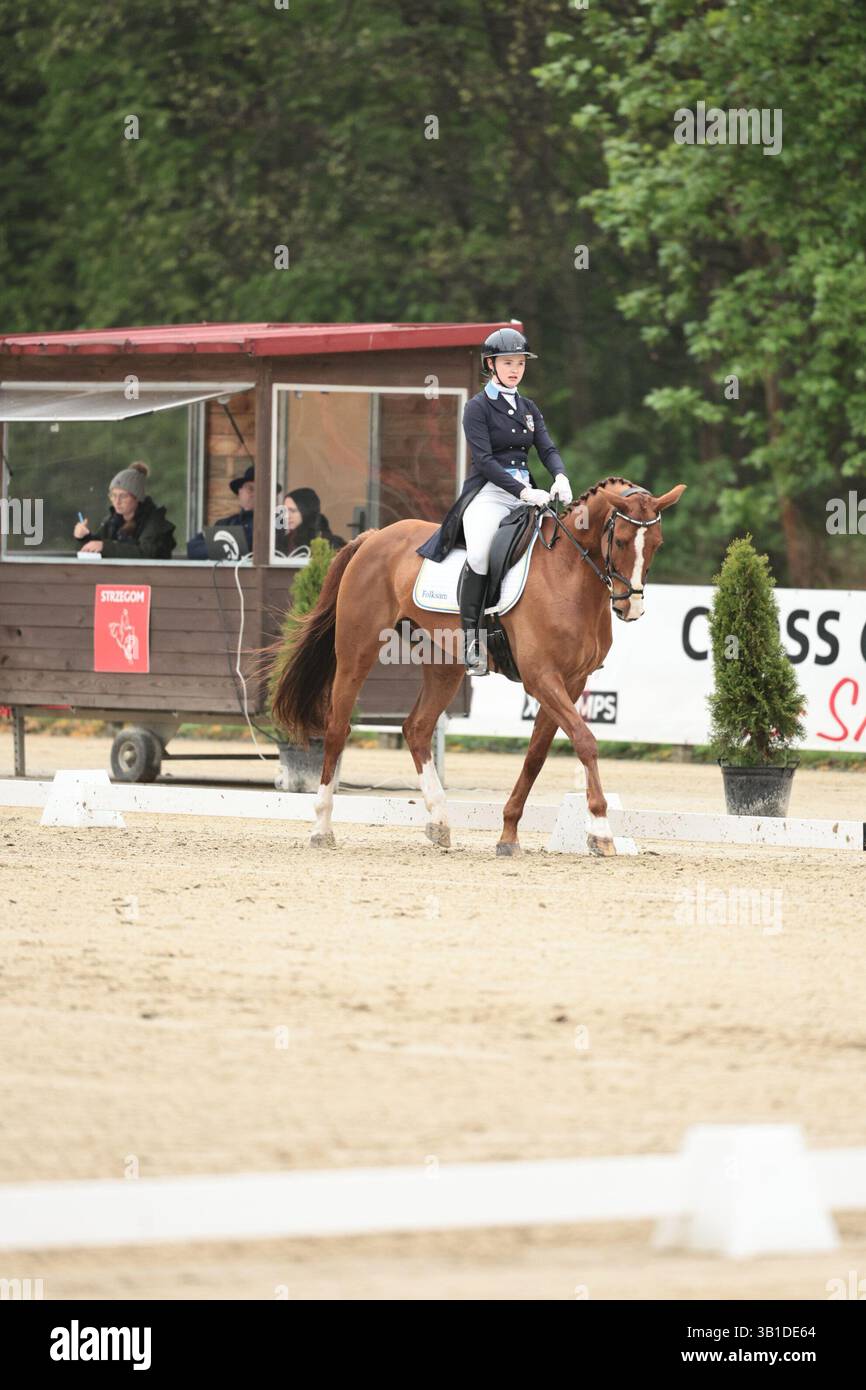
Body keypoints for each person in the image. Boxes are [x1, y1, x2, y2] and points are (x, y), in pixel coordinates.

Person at [416, 327, 572, 674]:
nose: (515, 369)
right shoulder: (477, 407)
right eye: (508, 362)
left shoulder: (528, 408)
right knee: (481, 552)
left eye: (520, 363)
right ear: (491, 364)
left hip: (527, 495)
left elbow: (546, 448)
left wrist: (560, 475)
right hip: (488, 493)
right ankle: (472, 640)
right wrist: (522, 491)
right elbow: (484, 461)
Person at [73, 461, 175, 559]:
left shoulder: (154, 521)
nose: (117, 501)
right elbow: (98, 545)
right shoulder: (112, 521)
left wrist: (105, 547)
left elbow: (146, 553)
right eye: (113, 495)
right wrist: (84, 537)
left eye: (123, 496)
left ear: (137, 498)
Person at [186, 463, 255, 559]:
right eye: (250, 488)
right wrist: (227, 548)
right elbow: (192, 548)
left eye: (260, 490)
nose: (255, 494)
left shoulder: (272, 525)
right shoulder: (226, 523)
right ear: (240, 492)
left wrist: (222, 546)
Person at [276, 486, 345, 556]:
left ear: (306, 511)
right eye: (285, 511)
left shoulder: (326, 542)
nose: (287, 516)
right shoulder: (285, 540)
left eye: (292, 511)